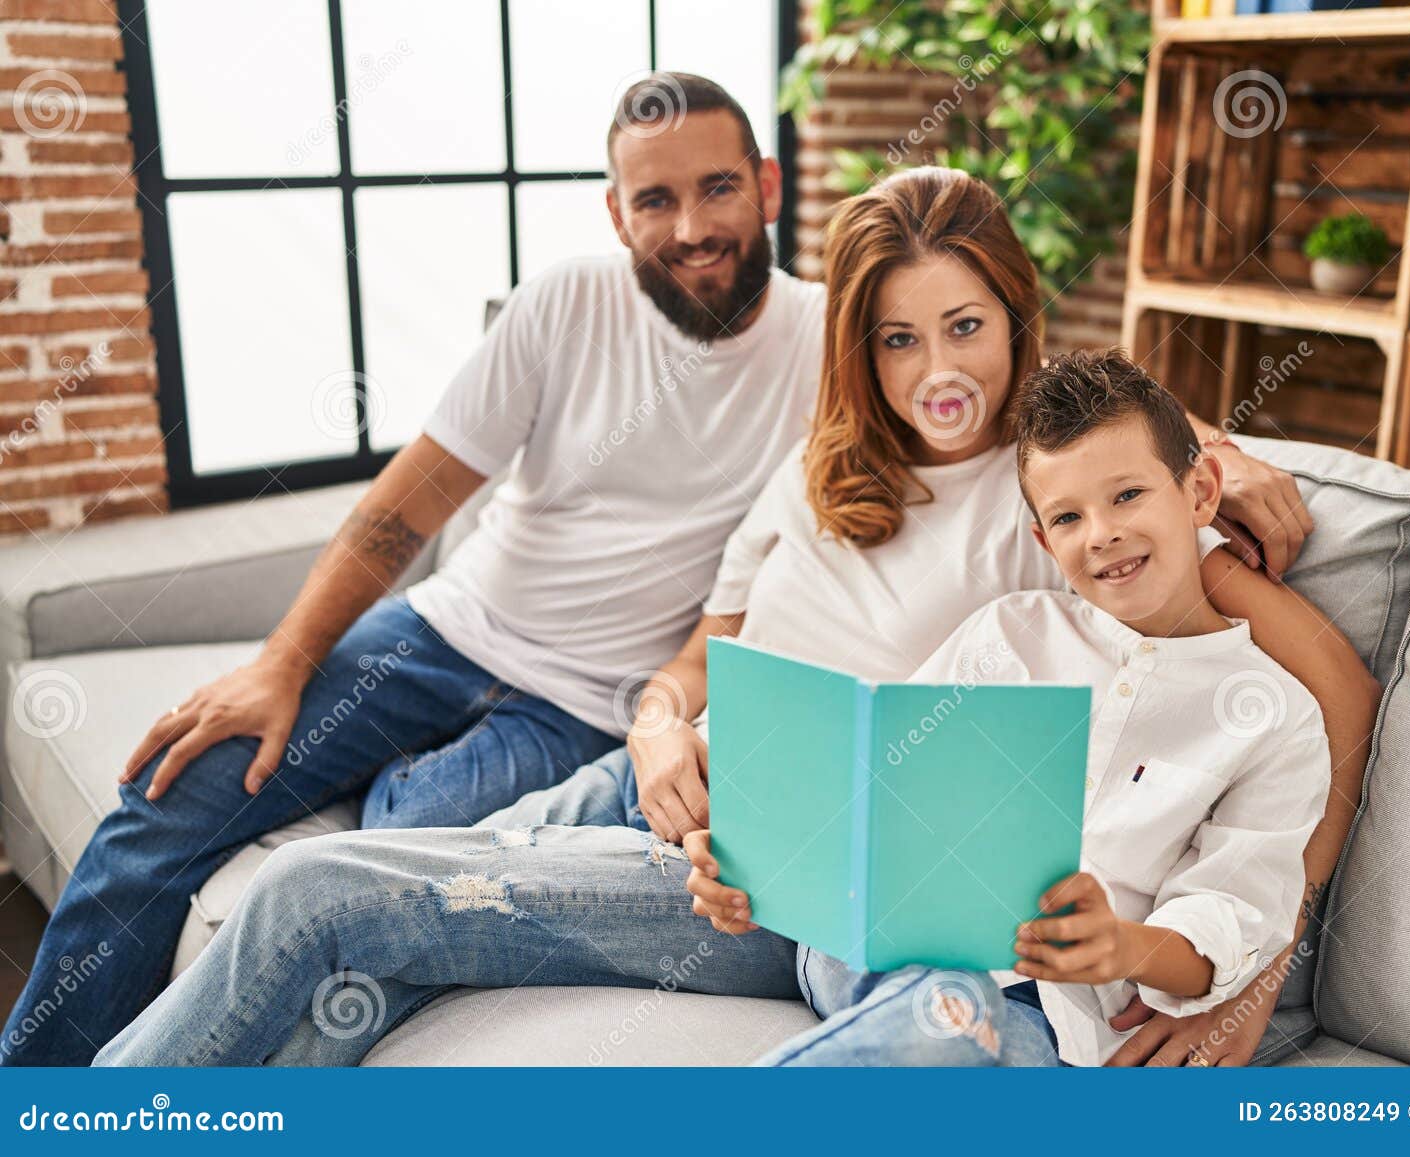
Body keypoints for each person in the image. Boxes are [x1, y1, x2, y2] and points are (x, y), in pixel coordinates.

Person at [93, 168, 1373, 1068]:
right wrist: (657, 726)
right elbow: (704, 659)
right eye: (895, 339)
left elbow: (1311, 679)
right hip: (678, 796)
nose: (936, 373)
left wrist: (1256, 967)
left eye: (967, 328)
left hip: (815, 881)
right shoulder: (820, 467)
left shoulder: (1055, 506)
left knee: (337, 895)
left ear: (1016, 323)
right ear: (856, 350)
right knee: (345, 918)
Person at [3, 73, 825, 1066]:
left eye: (718, 189)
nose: (692, 226)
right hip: (441, 629)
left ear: (769, 186)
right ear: (617, 214)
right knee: (170, 789)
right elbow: (405, 508)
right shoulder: (564, 301)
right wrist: (282, 664)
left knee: (402, 841)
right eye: (656, 199)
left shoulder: (832, 349)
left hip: (580, 705)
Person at [686, 349, 1332, 1066]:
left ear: (1200, 491)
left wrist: (1124, 944)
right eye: (1067, 516)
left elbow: (1234, 919)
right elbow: (877, 789)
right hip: (862, 933)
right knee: (554, 884)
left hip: (1034, 1014)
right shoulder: (1011, 633)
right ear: (1043, 541)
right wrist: (755, 870)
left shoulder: (1276, 719)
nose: (1101, 533)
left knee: (955, 1025)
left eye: (1128, 495)